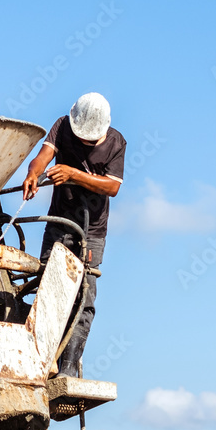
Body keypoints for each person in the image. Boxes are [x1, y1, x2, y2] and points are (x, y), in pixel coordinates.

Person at [22, 92, 126, 378]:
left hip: (91, 232)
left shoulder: (116, 142)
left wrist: (73, 174)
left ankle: (69, 365)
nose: (85, 143)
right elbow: (42, 157)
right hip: (59, 224)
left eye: (90, 141)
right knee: (48, 288)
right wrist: (33, 173)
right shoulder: (62, 126)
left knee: (83, 296)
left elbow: (112, 187)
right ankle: (43, 360)